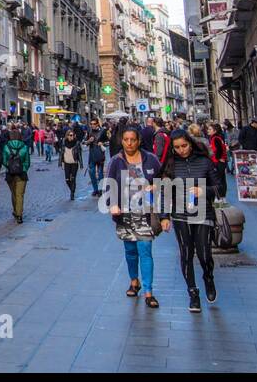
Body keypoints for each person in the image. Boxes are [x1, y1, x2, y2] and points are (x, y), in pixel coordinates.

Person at [162, 125, 221, 313]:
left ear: (190, 143)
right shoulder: (171, 165)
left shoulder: (204, 162)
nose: (181, 150)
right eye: (177, 147)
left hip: (203, 213)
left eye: (184, 146)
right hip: (180, 214)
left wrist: (203, 190)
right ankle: (193, 294)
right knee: (186, 253)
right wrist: (164, 216)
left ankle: (208, 277)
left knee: (204, 254)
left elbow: (221, 188)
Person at [107, 128, 165, 309]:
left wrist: (164, 213)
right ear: (122, 141)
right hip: (124, 215)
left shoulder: (151, 159)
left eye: (133, 139)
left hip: (146, 214)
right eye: (126, 140)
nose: (129, 143)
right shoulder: (116, 161)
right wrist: (112, 204)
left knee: (145, 250)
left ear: (139, 141)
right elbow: (110, 185)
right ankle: (134, 281)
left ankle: (148, 291)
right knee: (130, 252)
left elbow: (163, 183)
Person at [1, 124, 30, 223]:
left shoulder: (6, 147)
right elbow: (27, 162)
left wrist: (9, 167)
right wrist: (23, 168)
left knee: (13, 193)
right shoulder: (24, 147)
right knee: (20, 194)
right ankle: (19, 214)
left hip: (10, 174)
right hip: (22, 174)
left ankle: (15, 211)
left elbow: (4, 161)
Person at [207, 122, 229, 200]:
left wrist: (218, 158)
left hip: (218, 162)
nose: (208, 130)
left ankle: (220, 197)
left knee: (219, 180)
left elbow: (218, 150)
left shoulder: (215, 138)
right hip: (220, 162)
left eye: (210, 129)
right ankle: (222, 197)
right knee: (221, 180)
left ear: (215, 131)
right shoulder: (217, 137)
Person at [61, 124, 82, 199]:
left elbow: (79, 154)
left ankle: (72, 193)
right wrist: (61, 162)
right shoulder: (64, 142)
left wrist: (81, 164)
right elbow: (61, 153)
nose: (71, 136)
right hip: (66, 163)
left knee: (73, 178)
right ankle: (72, 189)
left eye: (73, 135)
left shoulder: (77, 143)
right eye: (70, 135)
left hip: (74, 163)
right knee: (67, 179)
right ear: (67, 136)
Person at [87, 120, 107, 196]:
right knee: (91, 173)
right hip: (92, 155)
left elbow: (108, 141)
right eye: (91, 124)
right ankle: (95, 189)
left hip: (100, 154)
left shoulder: (103, 131)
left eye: (94, 124)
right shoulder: (89, 131)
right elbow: (84, 142)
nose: (92, 125)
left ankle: (100, 189)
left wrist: (103, 143)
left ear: (97, 124)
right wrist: (88, 141)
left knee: (100, 173)